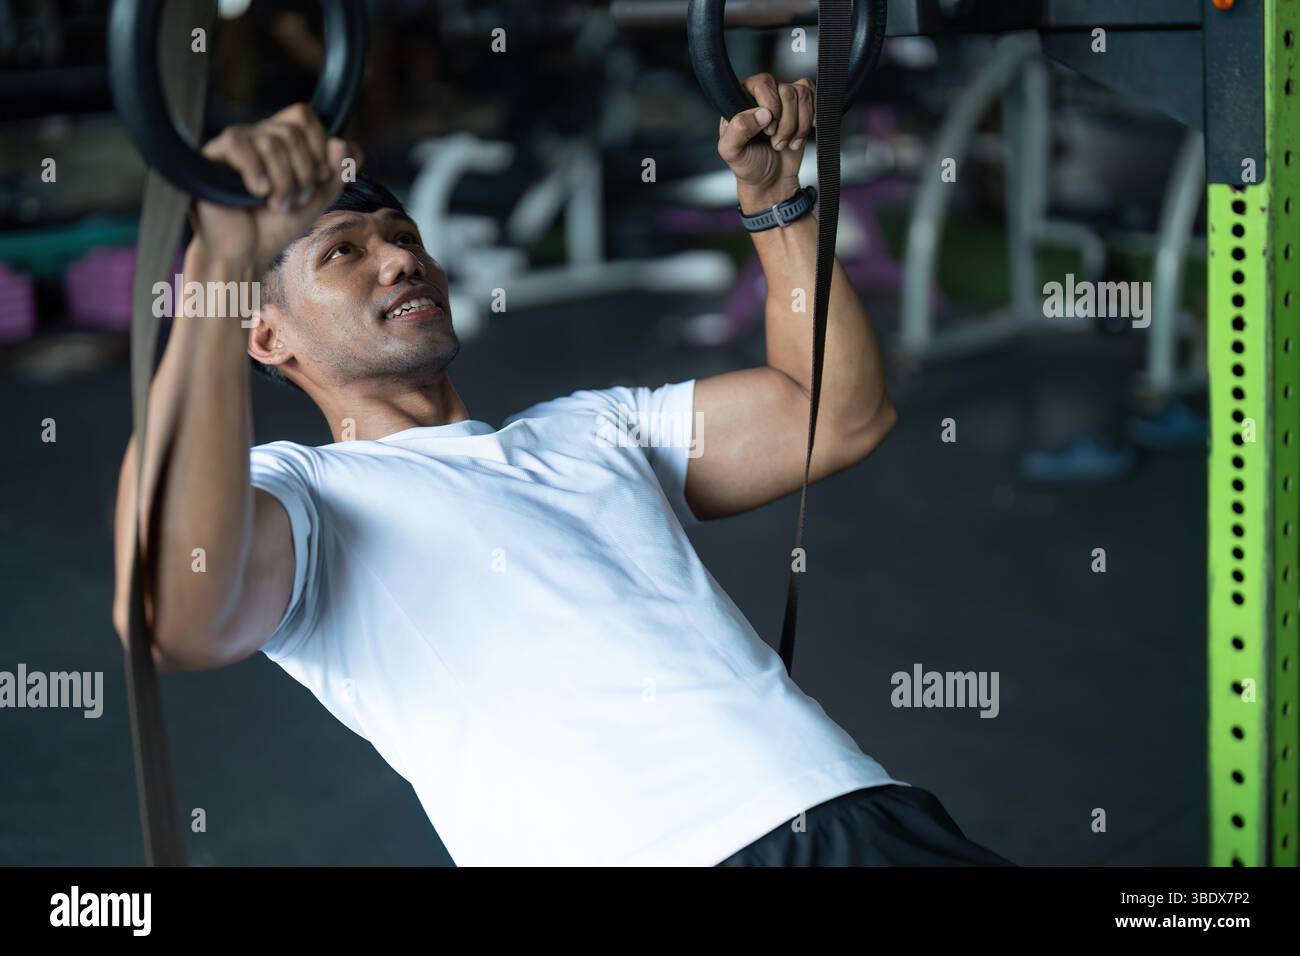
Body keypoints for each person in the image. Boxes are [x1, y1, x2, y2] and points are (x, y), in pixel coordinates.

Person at [112, 76, 1010, 867]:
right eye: (344, 251)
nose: (399, 256)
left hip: (864, 815)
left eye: (402, 235)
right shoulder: (306, 496)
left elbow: (837, 416)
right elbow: (171, 613)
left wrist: (778, 202)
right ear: (265, 336)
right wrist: (222, 266)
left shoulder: (592, 428)